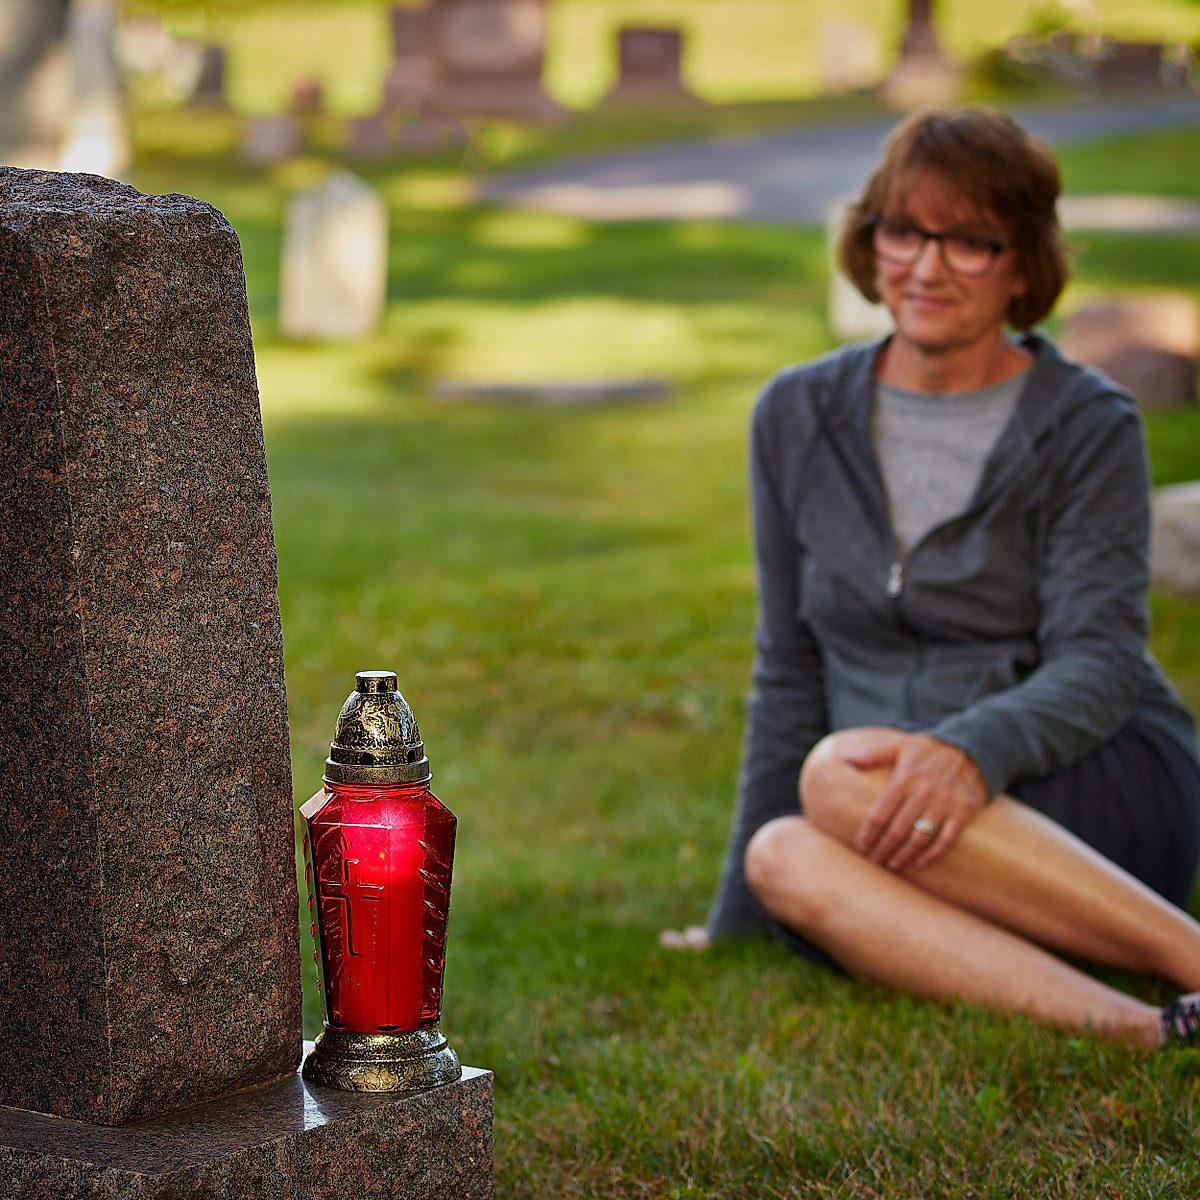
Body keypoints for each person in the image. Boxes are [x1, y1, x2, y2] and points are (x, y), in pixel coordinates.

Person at [691, 107, 1200, 1048]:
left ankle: (1189, 953)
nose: (927, 267)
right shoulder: (795, 414)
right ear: (869, 239)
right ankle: (1147, 1028)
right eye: (904, 230)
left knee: (838, 780)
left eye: (969, 241)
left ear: (1022, 264)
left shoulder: (1090, 424)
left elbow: (1100, 662)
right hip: (885, 803)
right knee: (783, 856)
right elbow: (789, 669)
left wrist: (971, 750)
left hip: (1084, 779)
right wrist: (735, 919)